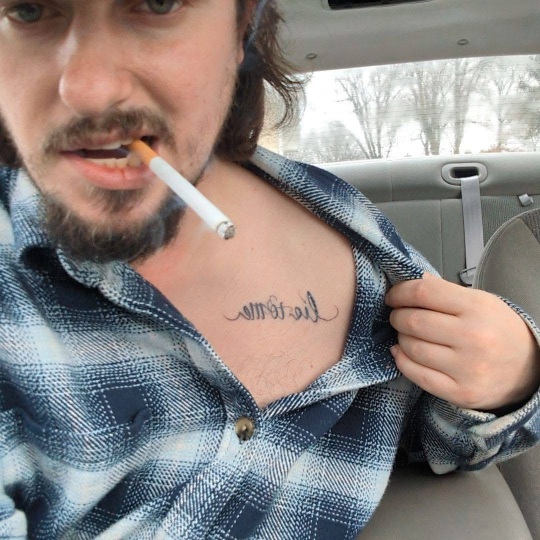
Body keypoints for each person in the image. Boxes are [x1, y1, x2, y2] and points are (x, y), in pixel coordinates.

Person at [0, 1, 538, 538]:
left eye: (157, 3)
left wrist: (512, 376)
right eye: (27, 10)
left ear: (243, 27)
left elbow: (430, 432)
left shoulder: (350, 227)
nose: (89, 89)